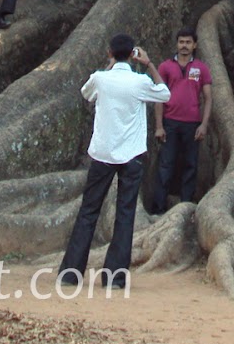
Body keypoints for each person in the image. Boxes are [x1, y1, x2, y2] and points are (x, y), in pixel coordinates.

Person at [58, 34, 169, 288]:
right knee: (125, 213)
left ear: (109, 52)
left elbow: (87, 93)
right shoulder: (140, 81)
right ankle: (114, 278)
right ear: (133, 54)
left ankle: (71, 273)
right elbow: (164, 94)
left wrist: (107, 66)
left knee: (88, 211)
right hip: (131, 155)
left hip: (103, 154)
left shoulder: (101, 79)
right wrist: (150, 64)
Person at [150, 28, 212, 214]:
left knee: (190, 164)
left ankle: (186, 207)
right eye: (181, 42)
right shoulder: (165, 66)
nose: (184, 46)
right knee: (166, 164)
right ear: (176, 44)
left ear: (195, 45)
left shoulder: (201, 68)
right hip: (170, 122)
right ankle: (158, 209)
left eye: (188, 42)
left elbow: (208, 98)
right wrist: (159, 126)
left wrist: (204, 124)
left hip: (192, 124)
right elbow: (159, 97)